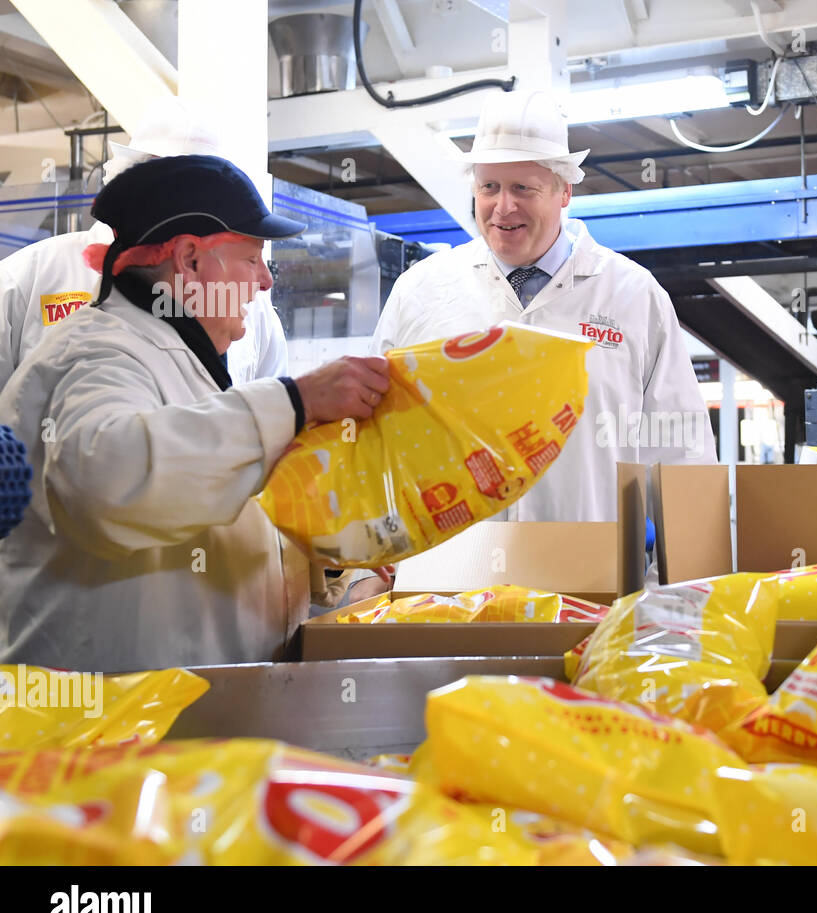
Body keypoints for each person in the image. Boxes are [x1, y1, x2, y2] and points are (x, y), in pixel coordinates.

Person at [0, 154, 391, 672]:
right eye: (252, 258)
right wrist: (297, 401)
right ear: (188, 260)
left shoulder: (177, 359)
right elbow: (110, 478)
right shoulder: (95, 354)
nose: (266, 281)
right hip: (109, 728)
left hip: (188, 718)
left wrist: (331, 573)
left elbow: (205, 502)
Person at [371, 89, 716, 526]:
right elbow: (373, 440)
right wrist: (364, 573)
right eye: (489, 187)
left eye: (522, 188)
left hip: (589, 581)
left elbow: (682, 456)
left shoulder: (633, 297)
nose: (503, 207)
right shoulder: (419, 292)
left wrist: (683, 587)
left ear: (564, 190)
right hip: (449, 580)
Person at [0, 97, 288, 392]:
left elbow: (275, 417)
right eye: (179, 186)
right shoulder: (27, 278)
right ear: (134, 182)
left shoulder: (250, 308)